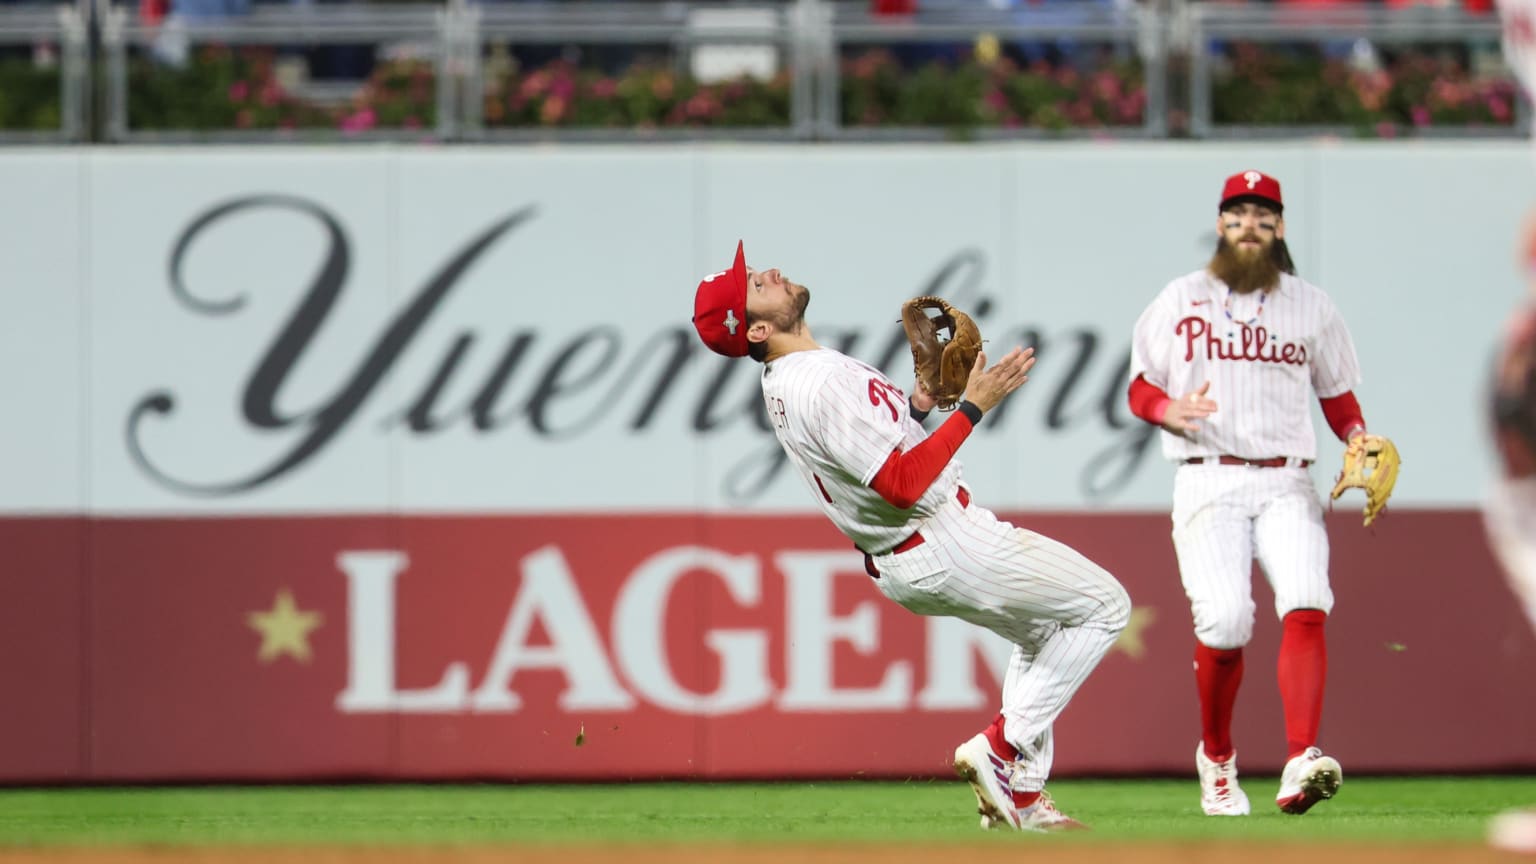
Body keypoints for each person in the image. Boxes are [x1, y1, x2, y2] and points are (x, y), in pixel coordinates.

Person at [691, 241, 1131, 832]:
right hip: (940, 537)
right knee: (1104, 606)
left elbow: (877, 454)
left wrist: (918, 405)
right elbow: (899, 483)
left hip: (912, 553)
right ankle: (1001, 750)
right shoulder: (816, 382)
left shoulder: (793, 376)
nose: (767, 272)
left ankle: (1023, 798)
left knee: (1043, 634)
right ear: (759, 328)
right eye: (754, 286)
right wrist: (971, 408)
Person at [1127, 170, 1373, 817]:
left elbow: (1338, 394)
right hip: (1207, 474)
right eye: (1238, 214)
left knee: (1307, 596)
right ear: (1221, 225)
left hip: (1288, 476)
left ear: (1280, 229)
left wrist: (1356, 435)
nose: (1249, 227)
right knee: (1227, 619)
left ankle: (1301, 759)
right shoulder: (1181, 298)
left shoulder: (1311, 306)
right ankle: (1217, 757)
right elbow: (1138, 387)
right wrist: (1167, 408)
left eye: (1264, 216)